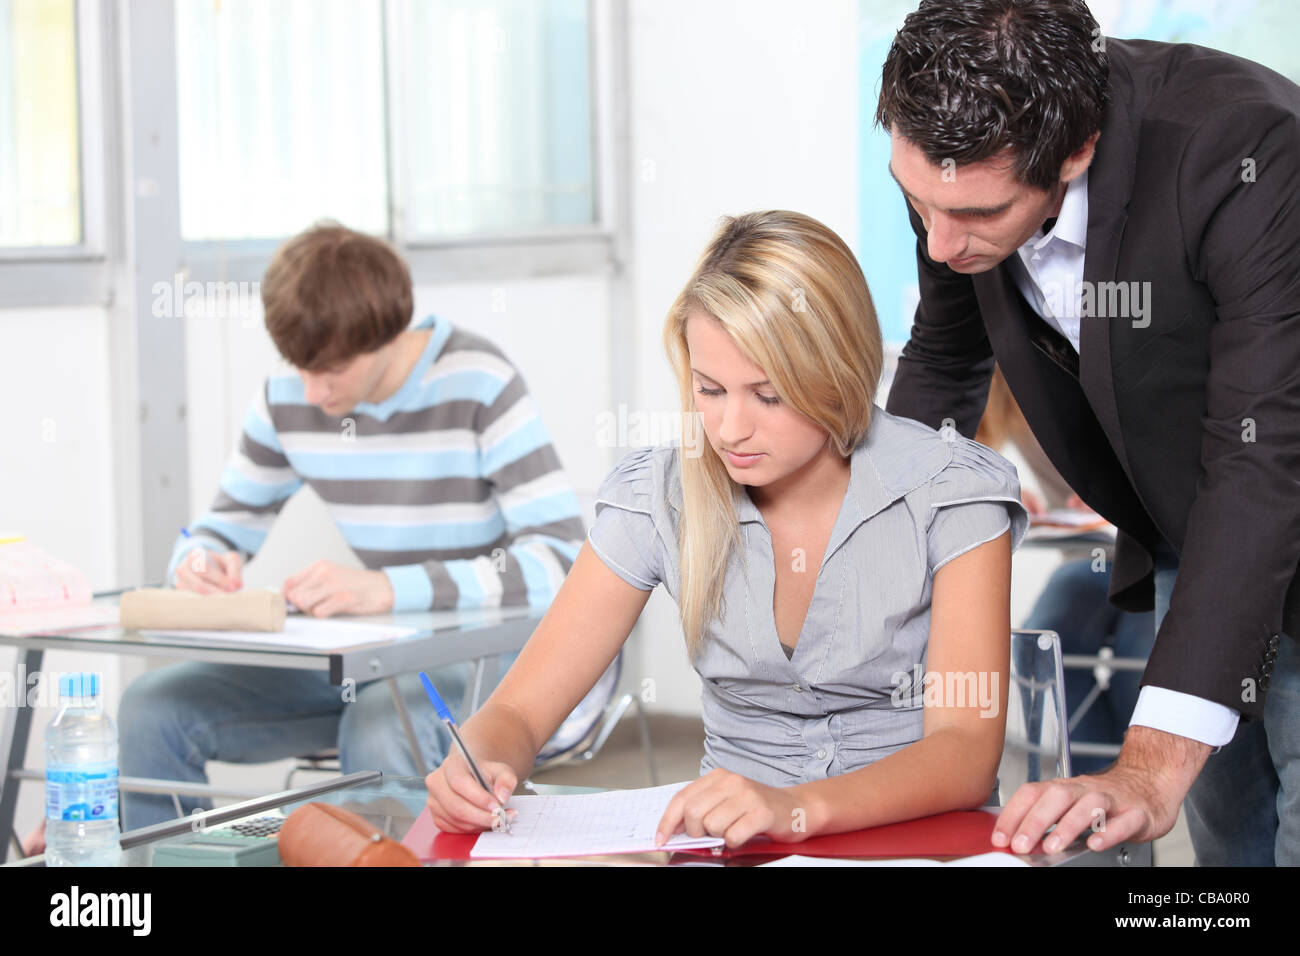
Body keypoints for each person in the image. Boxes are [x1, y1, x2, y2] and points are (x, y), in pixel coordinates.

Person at [424, 210, 1028, 848]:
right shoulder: (656, 494)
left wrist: (792, 808)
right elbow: (519, 710)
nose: (729, 429)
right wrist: (483, 760)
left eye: (767, 395)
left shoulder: (954, 490)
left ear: (840, 373)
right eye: (709, 389)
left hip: (915, 849)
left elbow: (965, 751)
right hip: (732, 852)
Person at [877, 0, 1300, 863]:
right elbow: (945, 362)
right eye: (918, 202)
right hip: (1194, 528)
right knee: (1230, 838)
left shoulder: (1249, 153)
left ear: (1077, 150)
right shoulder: (960, 188)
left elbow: (1264, 464)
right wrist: (865, 556)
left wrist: (1145, 768)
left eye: (979, 216)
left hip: (1267, 488)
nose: (941, 244)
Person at [117, 223, 586, 830]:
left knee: (378, 722)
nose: (312, 392)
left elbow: (564, 564)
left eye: (332, 369)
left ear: (387, 334)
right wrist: (200, 561)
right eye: (298, 366)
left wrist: (392, 588)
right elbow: (215, 530)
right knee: (152, 708)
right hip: (373, 663)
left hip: (497, 658)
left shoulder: (479, 381)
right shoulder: (290, 395)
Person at [977, 366, 1154, 774]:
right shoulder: (998, 377)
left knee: (1141, 663)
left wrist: (1122, 494)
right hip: (1088, 559)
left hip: (1154, 555)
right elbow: (967, 448)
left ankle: (1128, 786)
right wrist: (1004, 489)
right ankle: (1089, 784)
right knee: (1043, 644)